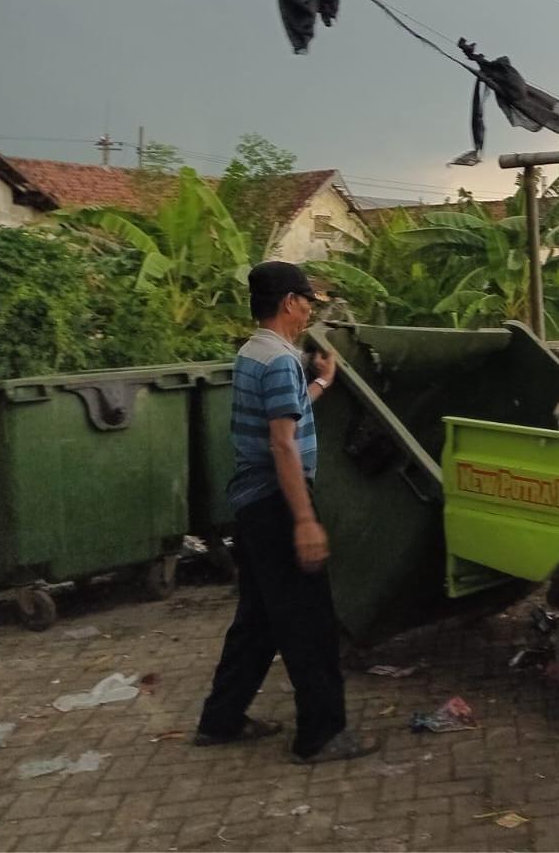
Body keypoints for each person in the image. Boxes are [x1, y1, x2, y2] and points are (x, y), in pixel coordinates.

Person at [194, 261, 377, 765]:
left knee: (258, 620)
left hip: (253, 505)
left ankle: (221, 719)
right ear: (288, 303)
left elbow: (286, 417)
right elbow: (282, 445)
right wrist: (304, 520)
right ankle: (321, 734)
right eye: (307, 301)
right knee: (310, 622)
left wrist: (321, 384)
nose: (310, 310)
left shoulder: (257, 353)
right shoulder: (278, 361)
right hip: (277, 504)